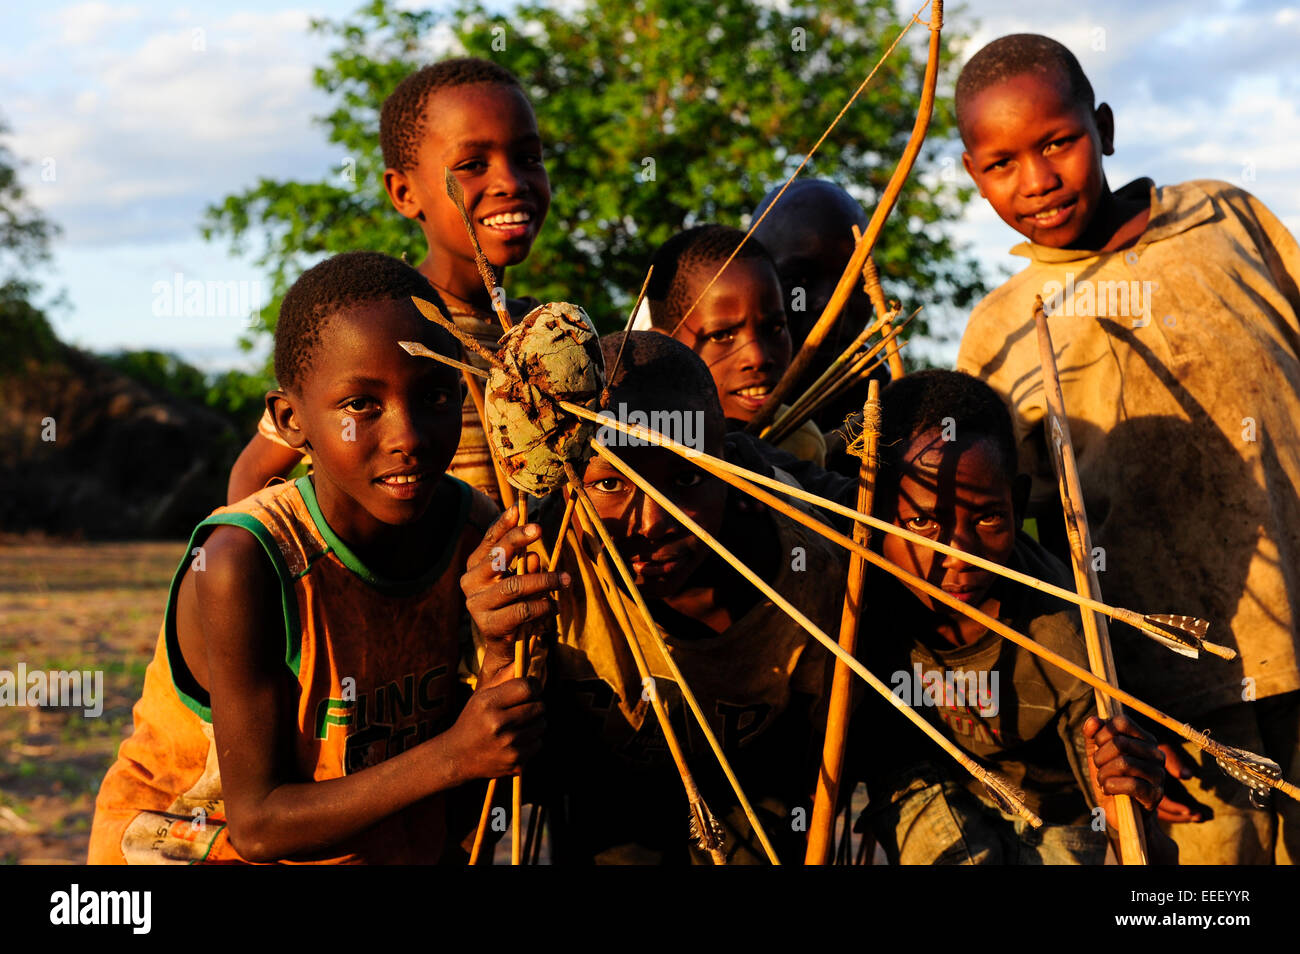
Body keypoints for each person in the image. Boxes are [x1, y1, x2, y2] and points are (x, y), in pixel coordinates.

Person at [954, 33, 1300, 864]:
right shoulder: (999, 333)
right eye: (1001, 164)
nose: (1036, 181)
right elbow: (1017, 558)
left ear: (1102, 128)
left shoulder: (1227, 220)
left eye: (1057, 143)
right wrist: (1099, 707)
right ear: (973, 176)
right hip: (1173, 709)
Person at [89, 252, 558, 864]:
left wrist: (501, 654)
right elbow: (257, 826)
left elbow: (487, 761)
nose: (408, 436)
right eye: (362, 405)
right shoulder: (244, 562)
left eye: (436, 395)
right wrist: (454, 756)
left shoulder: (476, 532)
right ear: (291, 420)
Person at [481, 332, 847, 864]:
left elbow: (820, 750)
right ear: (568, 481)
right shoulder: (540, 567)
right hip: (607, 802)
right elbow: (502, 748)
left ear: (729, 467)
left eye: (687, 477)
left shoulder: (808, 569)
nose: (652, 522)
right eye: (612, 484)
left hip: (753, 793)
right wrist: (498, 649)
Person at [854, 369, 1173, 864]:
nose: (959, 555)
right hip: (926, 780)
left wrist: (1129, 813)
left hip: (1053, 807)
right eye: (922, 522)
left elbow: (1145, 855)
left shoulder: (1064, 634)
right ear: (873, 511)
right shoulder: (857, 586)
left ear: (1016, 504)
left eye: (987, 517)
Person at [227, 57, 551, 506]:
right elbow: (251, 479)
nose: (510, 181)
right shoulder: (382, 326)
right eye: (473, 163)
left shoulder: (544, 335)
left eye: (529, 158)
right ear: (404, 192)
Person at [644, 224, 827, 466]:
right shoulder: (633, 441)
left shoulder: (801, 441)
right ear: (662, 350)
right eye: (721, 336)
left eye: (774, 328)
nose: (758, 357)